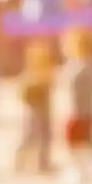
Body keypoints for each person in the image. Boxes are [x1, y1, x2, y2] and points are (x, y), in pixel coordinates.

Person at [60, 26, 92, 184]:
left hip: (75, 113)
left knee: (75, 146)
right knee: (88, 143)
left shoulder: (76, 68)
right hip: (89, 112)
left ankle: (78, 170)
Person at [14, 39, 56, 175]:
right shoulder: (29, 76)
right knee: (30, 137)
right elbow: (23, 95)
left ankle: (43, 163)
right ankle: (20, 160)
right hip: (33, 114)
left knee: (45, 137)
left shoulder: (48, 75)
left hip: (45, 113)